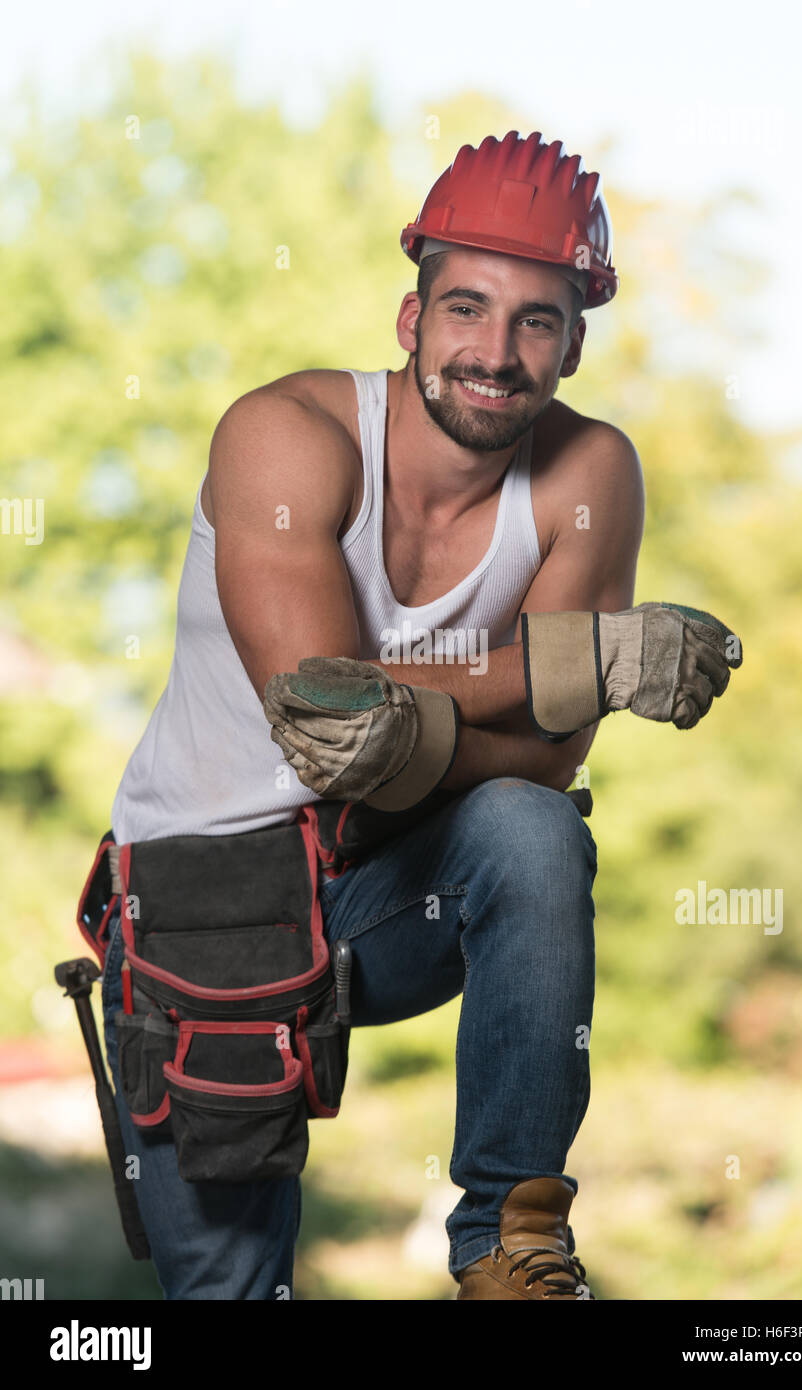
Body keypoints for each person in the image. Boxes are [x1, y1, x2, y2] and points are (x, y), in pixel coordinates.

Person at [102, 129, 741, 1301]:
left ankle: (507, 1235)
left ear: (574, 341)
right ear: (411, 320)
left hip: (394, 884)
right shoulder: (285, 438)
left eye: (535, 320)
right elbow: (325, 716)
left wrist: (443, 724)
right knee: (232, 1295)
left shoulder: (587, 474)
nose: (494, 353)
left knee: (533, 834)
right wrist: (587, 656)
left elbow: (538, 768)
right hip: (207, 903)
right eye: (465, 308)